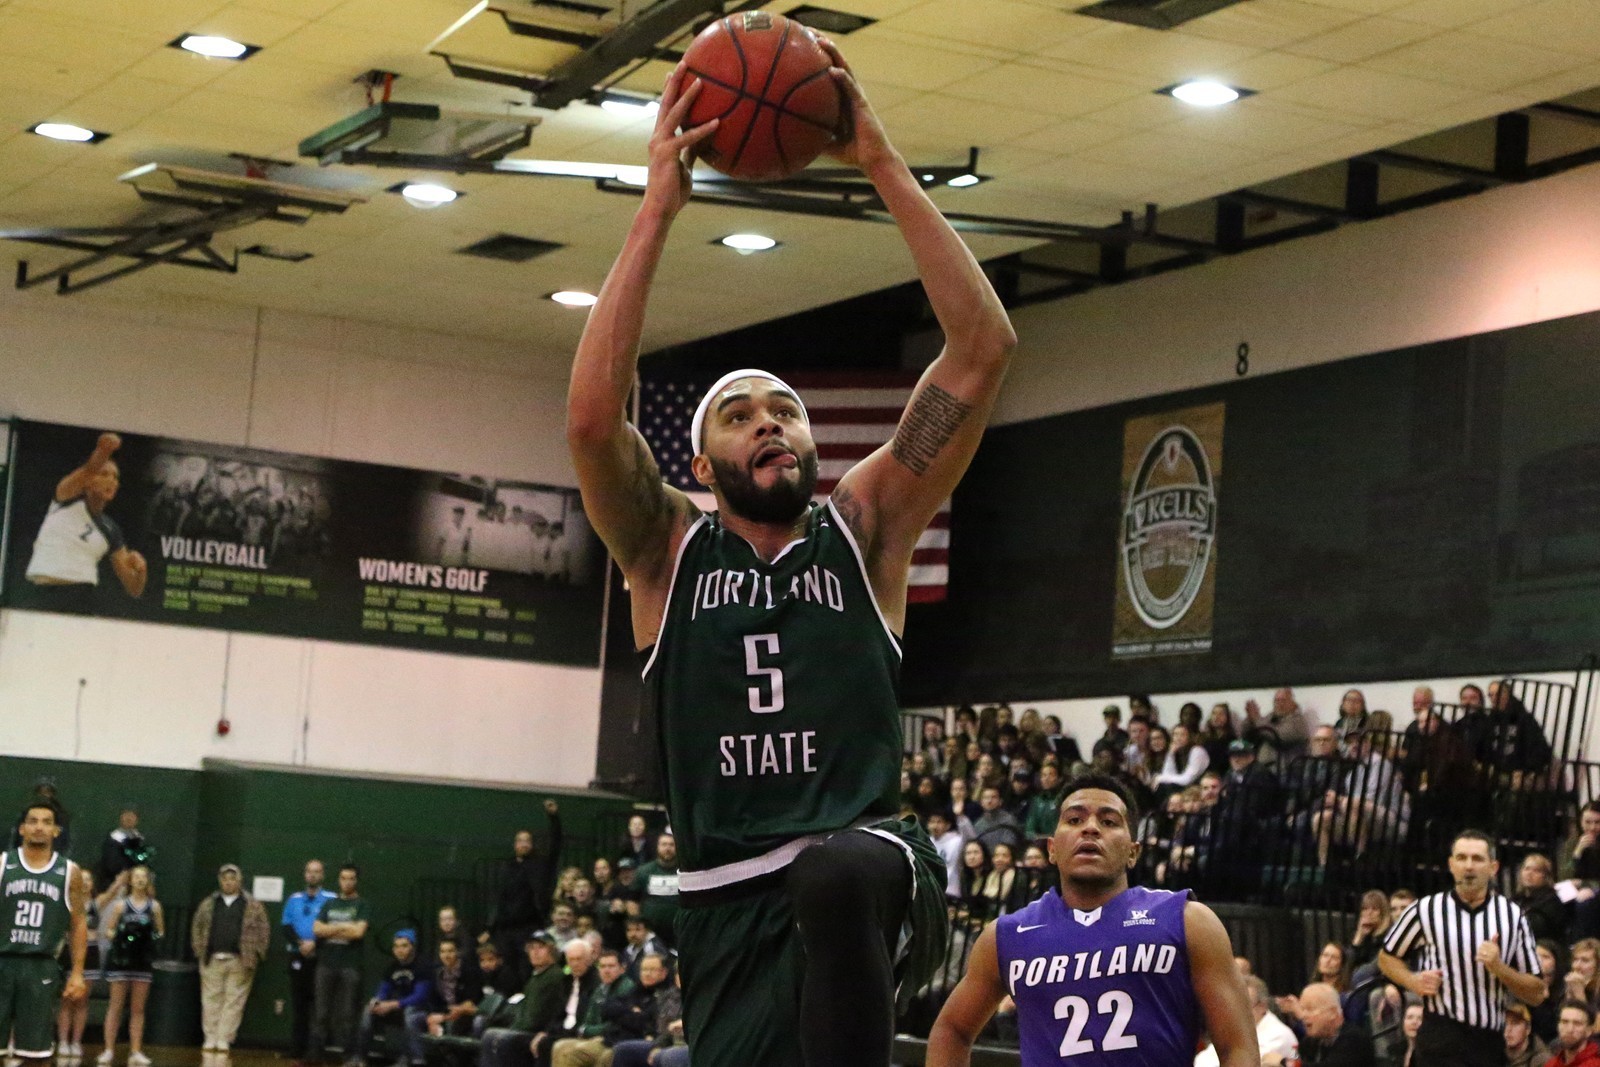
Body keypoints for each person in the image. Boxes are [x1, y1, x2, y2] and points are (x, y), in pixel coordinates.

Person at [565, 38, 1011, 1067]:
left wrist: (883, 164)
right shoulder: (665, 547)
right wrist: (655, 211)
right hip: (726, 903)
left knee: (838, 867)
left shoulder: (866, 526)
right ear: (698, 455)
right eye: (739, 414)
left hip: (868, 867)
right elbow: (593, 423)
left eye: (787, 411)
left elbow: (981, 351)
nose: (769, 423)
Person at [926, 773, 1258, 1066]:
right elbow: (951, 1030)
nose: (1090, 828)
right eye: (1074, 819)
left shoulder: (1187, 920)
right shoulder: (1007, 935)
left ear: (1133, 851)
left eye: (1109, 821)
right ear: (1052, 849)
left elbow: (1237, 1046)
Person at [1378, 830, 1546, 1066]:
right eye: (1461, 858)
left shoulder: (1513, 916)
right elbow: (1387, 957)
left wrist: (1500, 969)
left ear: (1493, 867)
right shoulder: (1425, 909)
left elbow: (1538, 993)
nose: (1469, 866)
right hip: (1439, 1032)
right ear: (1451, 865)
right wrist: (1413, 981)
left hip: (1488, 1041)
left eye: (1477, 859)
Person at [2, 800, 89, 1063]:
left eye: (46, 822)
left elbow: (78, 923)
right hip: (3, 961)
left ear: (56, 831)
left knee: (36, 1055)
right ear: (21, 829)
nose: (39, 827)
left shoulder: (69, 872)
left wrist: (77, 973)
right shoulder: (4, 863)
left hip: (41, 967)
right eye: (33, 821)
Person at [24, 431, 148, 605]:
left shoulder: (111, 529)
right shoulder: (65, 498)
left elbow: (134, 589)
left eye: (115, 477)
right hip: (42, 592)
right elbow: (89, 469)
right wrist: (103, 450)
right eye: (104, 474)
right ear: (88, 480)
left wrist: (141, 571)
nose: (111, 481)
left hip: (81, 597)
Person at [191, 862, 270, 1052]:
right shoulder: (209, 903)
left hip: (240, 960)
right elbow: (197, 926)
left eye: (232, 879)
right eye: (225, 879)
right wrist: (199, 949)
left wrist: (257, 952)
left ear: (239, 881)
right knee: (210, 999)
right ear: (220, 881)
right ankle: (210, 1038)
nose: (228, 883)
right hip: (212, 958)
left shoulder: (253, 905)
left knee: (234, 1001)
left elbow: (264, 929)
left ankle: (224, 1038)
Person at [100, 866, 163, 1067]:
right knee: (115, 1006)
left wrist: (145, 938)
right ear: (130, 881)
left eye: (144, 877)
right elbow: (109, 930)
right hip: (121, 961)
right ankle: (108, 1049)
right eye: (136, 877)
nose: (140, 880)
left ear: (148, 881)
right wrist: (122, 937)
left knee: (138, 1008)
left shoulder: (154, 907)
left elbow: (160, 932)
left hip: (142, 963)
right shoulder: (120, 906)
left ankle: (135, 1050)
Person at [310, 864, 371, 1065]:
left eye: (351, 878)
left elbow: (358, 933)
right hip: (325, 964)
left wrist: (332, 928)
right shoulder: (329, 904)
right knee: (321, 1013)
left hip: (350, 966)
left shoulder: (362, 904)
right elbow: (317, 929)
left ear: (356, 881)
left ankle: (348, 1056)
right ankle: (317, 1056)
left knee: (347, 1014)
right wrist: (345, 927)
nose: (347, 882)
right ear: (338, 880)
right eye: (344, 878)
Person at [491, 802, 563, 967]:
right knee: (507, 968)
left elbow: (555, 846)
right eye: (520, 841)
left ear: (532, 844)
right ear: (515, 845)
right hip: (506, 929)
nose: (523, 844)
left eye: (527, 841)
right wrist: (492, 928)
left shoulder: (540, 865)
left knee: (527, 966)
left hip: (529, 926)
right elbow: (501, 898)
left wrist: (554, 818)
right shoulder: (507, 867)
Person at [350, 930, 432, 1067]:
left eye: (404, 945)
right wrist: (377, 1001)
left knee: (410, 1013)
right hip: (399, 1007)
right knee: (368, 1010)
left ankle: (412, 1060)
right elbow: (383, 991)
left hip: (422, 1011)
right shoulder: (392, 967)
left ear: (412, 946)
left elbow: (420, 996)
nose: (400, 950)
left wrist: (393, 1004)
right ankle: (360, 1057)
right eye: (397, 946)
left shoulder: (422, 966)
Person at [285, 859, 337, 1066]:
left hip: (322, 958)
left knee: (321, 1007)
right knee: (300, 1006)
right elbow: (286, 926)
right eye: (309, 871)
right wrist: (301, 944)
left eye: (317, 872)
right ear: (305, 874)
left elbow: (333, 927)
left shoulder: (332, 899)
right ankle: (297, 1052)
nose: (313, 875)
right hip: (298, 957)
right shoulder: (294, 899)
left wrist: (315, 944)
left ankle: (318, 1052)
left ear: (323, 875)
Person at [1195, 975, 1297, 1067]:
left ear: (1262, 1007)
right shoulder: (1236, 1029)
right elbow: (1202, 1060)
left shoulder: (1279, 1035)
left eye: (1243, 1007)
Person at [1545, 999, 1600, 1066]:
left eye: (1577, 1023)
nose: (1570, 1029)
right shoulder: (1551, 1064)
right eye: (1564, 1022)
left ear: (1589, 1030)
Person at [1504, 1002, 1547, 1067]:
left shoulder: (1542, 1061)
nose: (1508, 1029)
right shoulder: (1495, 1053)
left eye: (1515, 1023)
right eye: (1505, 1023)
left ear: (1528, 1029)